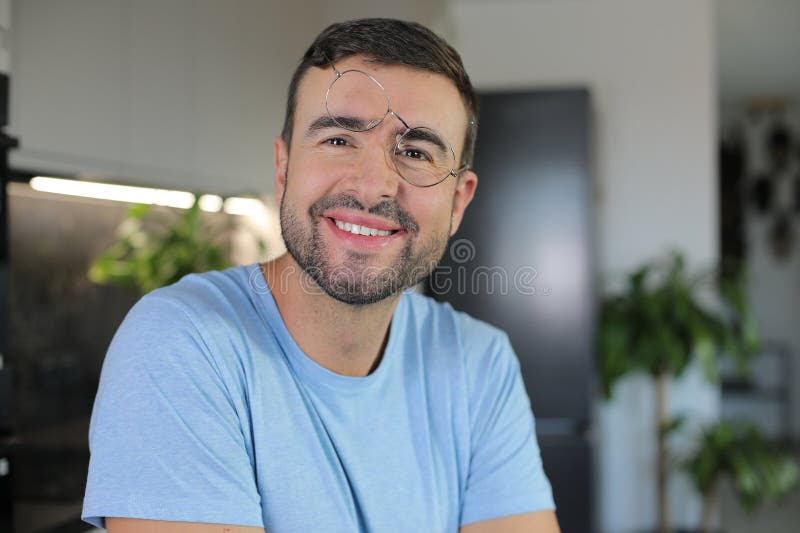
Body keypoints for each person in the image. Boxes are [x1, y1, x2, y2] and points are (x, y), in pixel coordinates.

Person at [82, 18, 559, 533]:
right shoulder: (183, 342)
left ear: (458, 201)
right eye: (337, 140)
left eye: (417, 152)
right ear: (284, 167)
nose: (374, 184)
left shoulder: (478, 364)